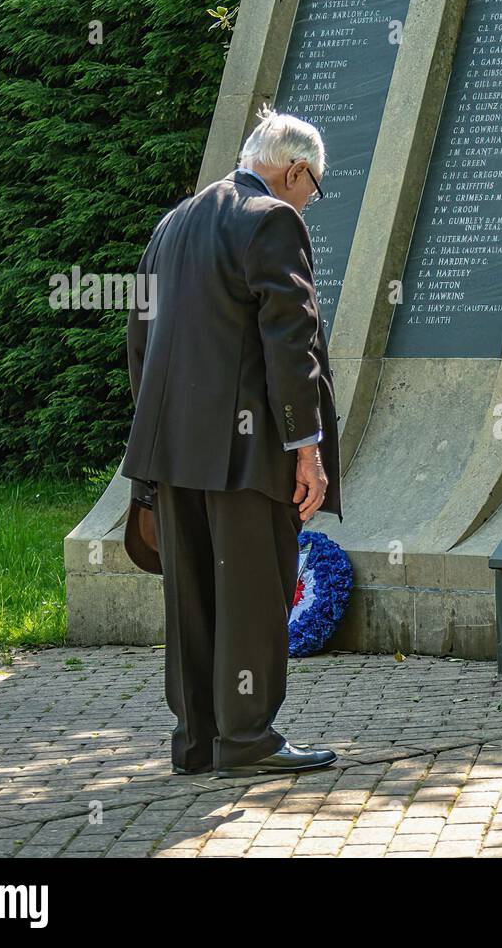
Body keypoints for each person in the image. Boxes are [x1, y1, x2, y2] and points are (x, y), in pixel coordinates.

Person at [123, 108, 342, 778]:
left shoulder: (172, 224)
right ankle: (246, 739)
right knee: (250, 596)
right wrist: (308, 448)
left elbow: (139, 342)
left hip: (173, 451)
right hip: (246, 454)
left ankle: (196, 738)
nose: (310, 201)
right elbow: (291, 340)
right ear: (295, 169)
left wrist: (153, 447)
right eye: (313, 188)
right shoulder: (272, 218)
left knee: (191, 598)